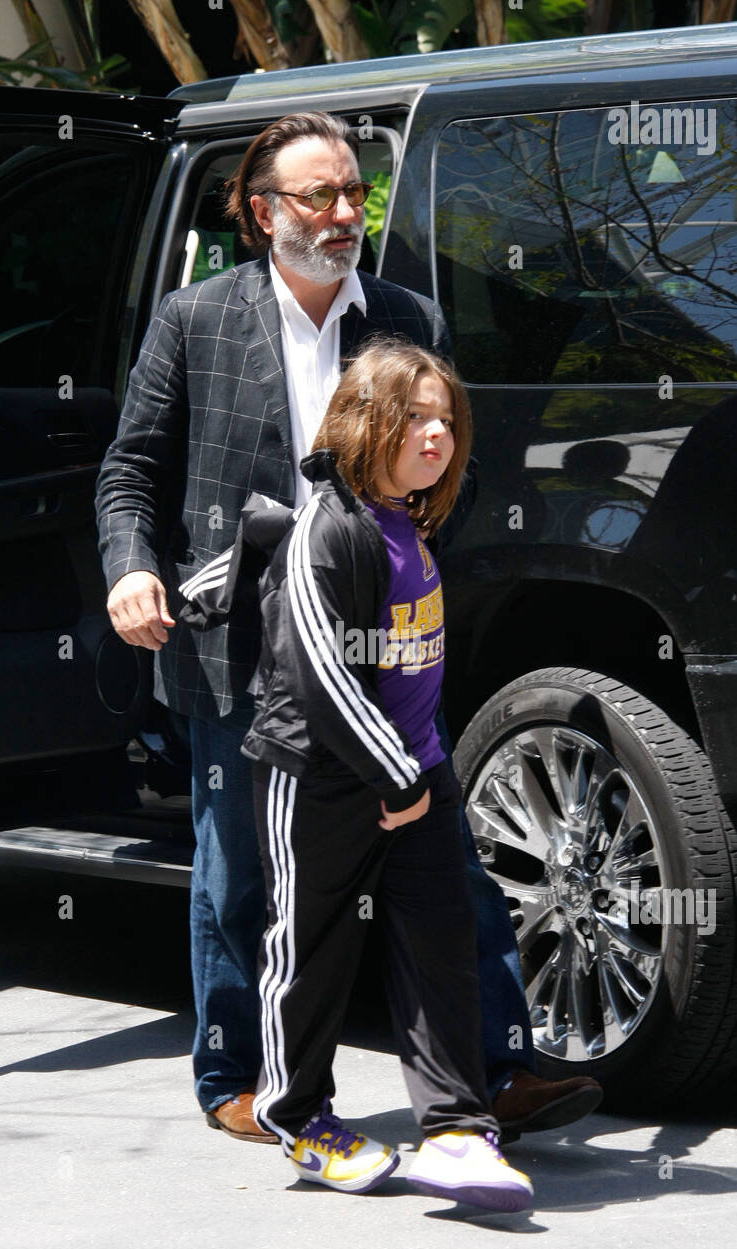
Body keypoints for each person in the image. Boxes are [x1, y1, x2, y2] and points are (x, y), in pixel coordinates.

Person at [95, 110, 601, 1145]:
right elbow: (130, 470)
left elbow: (443, 464)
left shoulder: (404, 319)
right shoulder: (196, 319)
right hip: (238, 652)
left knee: (441, 863)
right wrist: (131, 570)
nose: (341, 215)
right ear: (258, 210)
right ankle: (235, 1075)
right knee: (242, 873)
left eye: (351, 195)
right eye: (317, 195)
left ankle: (494, 1068)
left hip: (377, 647)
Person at [241, 337, 534, 1209]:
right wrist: (392, 779)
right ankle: (299, 1118)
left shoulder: (418, 515)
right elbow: (321, 676)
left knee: (441, 947)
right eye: (416, 418)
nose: (438, 435)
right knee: (312, 949)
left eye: (447, 420)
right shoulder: (326, 533)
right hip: (327, 779)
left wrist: (417, 779)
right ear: (369, 423)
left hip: (418, 773)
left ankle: (454, 1129)